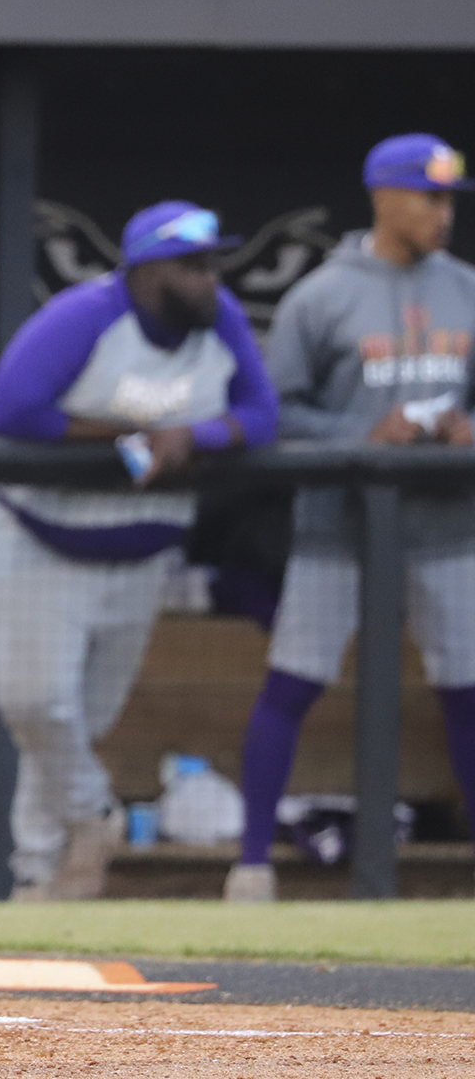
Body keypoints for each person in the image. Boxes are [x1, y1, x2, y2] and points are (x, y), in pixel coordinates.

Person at [0, 200, 277, 901]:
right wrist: (122, 436)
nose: (210, 280)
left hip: (143, 554)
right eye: (193, 266)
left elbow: (263, 416)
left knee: (77, 725)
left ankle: (37, 878)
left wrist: (192, 438)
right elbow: (12, 410)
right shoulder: (85, 317)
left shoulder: (222, 320)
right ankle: (95, 815)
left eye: (212, 264)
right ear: (146, 273)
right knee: (34, 705)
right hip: (44, 540)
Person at [227, 133, 475, 903]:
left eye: (450, 200)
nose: (444, 213)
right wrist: (362, 436)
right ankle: (253, 863)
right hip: (339, 521)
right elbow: (274, 413)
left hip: (445, 522)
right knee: (294, 683)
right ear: (385, 196)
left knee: (468, 689)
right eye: (430, 197)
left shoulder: (466, 286)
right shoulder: (322, 295)